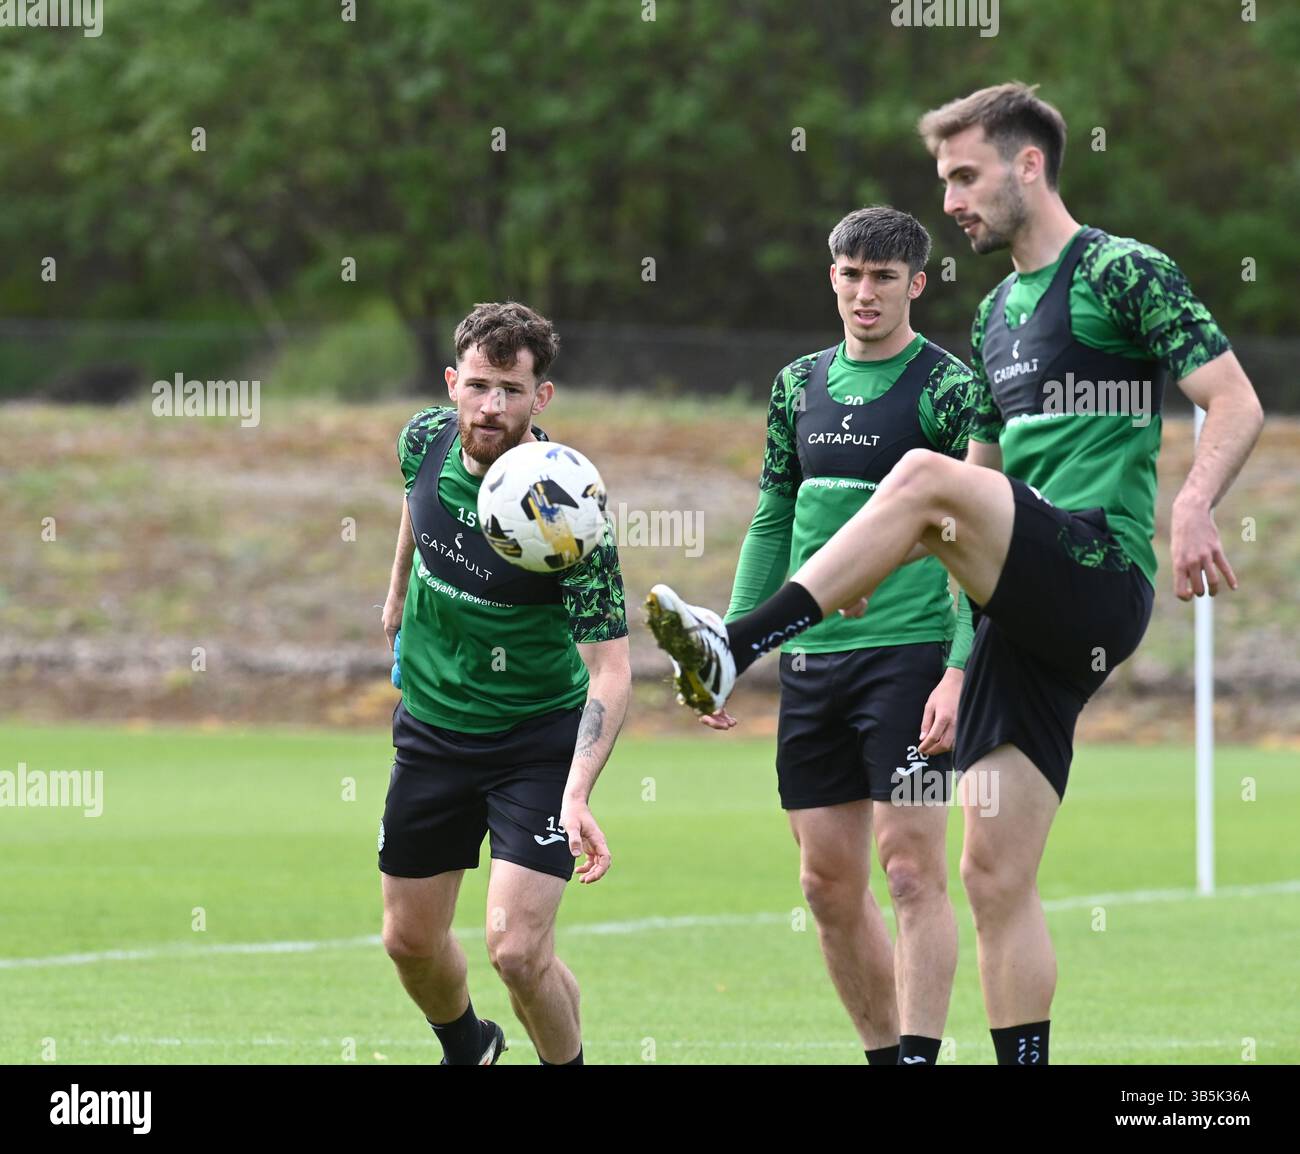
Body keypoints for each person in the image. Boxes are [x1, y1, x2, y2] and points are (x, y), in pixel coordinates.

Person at [646, 83, 1263, 1065]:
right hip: (1021, 614)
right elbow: (981, 483)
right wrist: (949, 638)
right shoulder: (994, 317)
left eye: (965, 175)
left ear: (1029, 165)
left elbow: (1231, 400)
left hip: (1097, 563)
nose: (952, 200)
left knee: (922, 478)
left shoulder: (1119, 270)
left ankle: (740, 643)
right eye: (943, 180)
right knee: (991, 876)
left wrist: (1192, 504)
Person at [702, 206, 978, 1066]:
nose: (866, 293)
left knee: (909, 873)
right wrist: (734, 648)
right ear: (833, 277)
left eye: (884, 278)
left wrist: (962, 668)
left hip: (912, 660)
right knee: (826, 886)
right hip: (813, 664)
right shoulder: (797, 384)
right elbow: (773, 514)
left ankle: (923, 1060)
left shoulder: (948, 388)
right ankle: (884, 1053)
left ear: (916, 285)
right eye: (852, 275)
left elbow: (974, 534)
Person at [379, 301, 630, 1065]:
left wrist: (579, 790)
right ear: (452, 381)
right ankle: (468, 1045)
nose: (492, 407)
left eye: (512, 391)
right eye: (480, 385)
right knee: (409, 943)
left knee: (517, 951)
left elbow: (613, 672)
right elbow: (416, 511)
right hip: (431, 727)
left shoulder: (568, 510)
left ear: (540, 397)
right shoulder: (423, 439)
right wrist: (395, 595)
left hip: (536, 741)